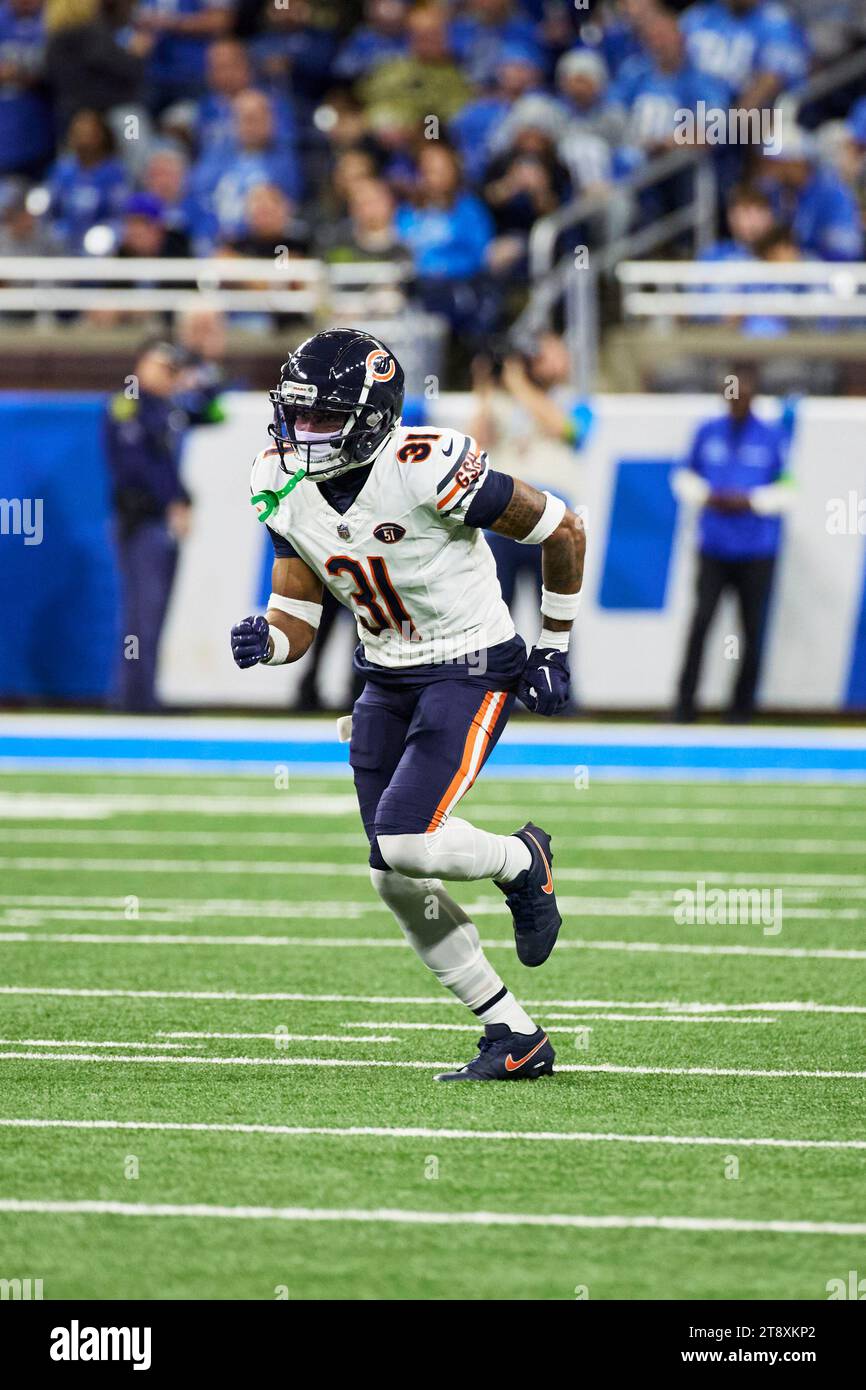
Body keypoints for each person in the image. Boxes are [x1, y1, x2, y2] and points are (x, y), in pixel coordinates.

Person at [230, 328, 586, 1082]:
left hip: (470, 664)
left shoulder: (425, 466)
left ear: (369, 417)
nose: (302, 434)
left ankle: (524, 859)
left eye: (322, 418)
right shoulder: (279, 476)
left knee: (405, 840)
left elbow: (563, 527)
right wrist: (269, 639)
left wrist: (553, 646)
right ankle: (512, 1033)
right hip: (385, 676)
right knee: (394, 873)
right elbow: (297, 619)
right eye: (295, 415)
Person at [671, 365, 795, 723]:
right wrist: (708, 496)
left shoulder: (772, 436)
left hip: (757, 549)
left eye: (744, 392)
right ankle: (684, 705)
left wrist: (749, 501)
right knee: (701, 624)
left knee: (752, 629)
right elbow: (682, 477)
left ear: (754, 395)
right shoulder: (707, 432)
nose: (737, 398)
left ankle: (742, 709)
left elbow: (789, 488)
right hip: (714, 546)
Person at [105, 339, 192, 711]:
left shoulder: (165, 407)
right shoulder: (129, 405)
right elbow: (138, 468)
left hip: (160, 522)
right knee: (143, 611)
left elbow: (214, 408)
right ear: (140, 365)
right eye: (161, 367)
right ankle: (133, 698)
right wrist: (172, 501)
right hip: (142, 520)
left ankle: (144, 694)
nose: (167, 376)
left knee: (154, 613)